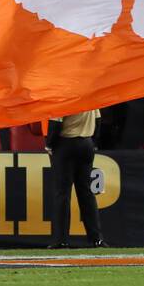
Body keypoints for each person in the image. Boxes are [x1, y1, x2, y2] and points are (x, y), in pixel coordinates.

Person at [46, 106, 105, 249]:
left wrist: (49, 144)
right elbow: (98, 120)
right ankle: (96, 238)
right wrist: (92, 142)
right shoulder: (88, 97)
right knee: (86, 193)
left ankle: (61, 240)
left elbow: (56, 123)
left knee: (62, 194)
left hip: (66, 144)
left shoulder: (64, 97)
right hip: (86, 143)